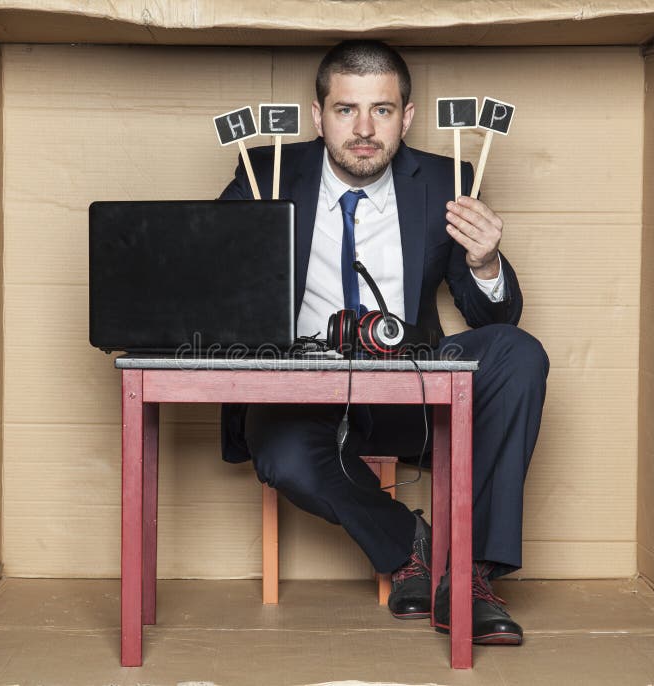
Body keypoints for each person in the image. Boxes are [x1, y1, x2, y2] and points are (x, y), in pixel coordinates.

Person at [219, 40, 549, 645]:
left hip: (411, 379)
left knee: (516, 351)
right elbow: (213, 284)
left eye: (383, 111)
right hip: (300, 388)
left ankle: (469, 575)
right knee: (284, 454)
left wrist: (485, 261)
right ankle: (417, 547)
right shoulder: (263, 175)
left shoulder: (447, 177)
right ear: (318, 116)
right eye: (346, 110)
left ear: (409, 116)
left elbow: (489, 312)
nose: (364, 129)